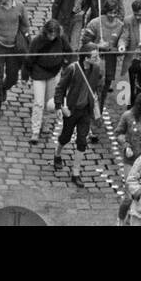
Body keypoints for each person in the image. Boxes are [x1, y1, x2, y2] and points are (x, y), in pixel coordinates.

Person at [53, 45, 105, 186]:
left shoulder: (97, 70)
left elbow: (97, 87)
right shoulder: (73, 69)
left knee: (82, 140)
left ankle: (76, 173)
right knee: (65, 137)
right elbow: (60, 88)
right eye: (94, 57)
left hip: (85, 111)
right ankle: (57, 154)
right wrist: (60, 106)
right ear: (86, 58)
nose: (98, 59)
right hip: (72, 110)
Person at [23, 20, 68, 144]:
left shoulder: (61, 39)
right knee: (38, 102)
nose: (52, 37)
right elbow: (29, 58)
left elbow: (69, 52)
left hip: (53, 74)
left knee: (50, 102)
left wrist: (67, 66)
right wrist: (25, 76)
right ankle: (35, 131)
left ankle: (46, 122)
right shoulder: (38, 41)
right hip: (39, 73)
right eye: (50, 34)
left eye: (54, 34)